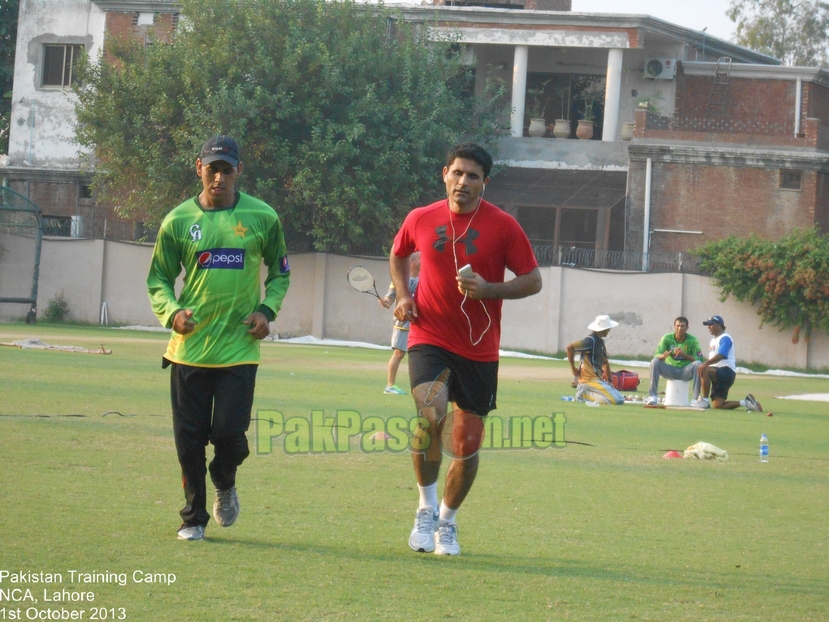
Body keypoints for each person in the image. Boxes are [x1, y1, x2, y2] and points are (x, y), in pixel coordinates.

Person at [390, 142, 542, 556]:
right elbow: (398, 253)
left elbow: (532, 279)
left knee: (466, 443)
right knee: (429, 414)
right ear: (445, 174)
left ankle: (447, 522)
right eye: (457, 173)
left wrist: (490, 290)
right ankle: (424, 508)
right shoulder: (421, 218)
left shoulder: (504, 226)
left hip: (479, 349)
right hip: (429, 337)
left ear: (484, 183)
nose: (463, 182)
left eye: (472, 175)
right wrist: (405, 295)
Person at [147, 135, 291, 541]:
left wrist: (266, 310)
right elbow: (158, 278)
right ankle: (193, 517)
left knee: (229, 434)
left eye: (227, 169)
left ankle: (224, 481)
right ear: (199, 168)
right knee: (188, 441)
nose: (219, 177)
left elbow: (280, 273)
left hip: (239, 349)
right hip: (189, 350)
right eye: (213, 168)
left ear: (238, 171)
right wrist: (172, 313)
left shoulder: (263, 217)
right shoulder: (177, 221)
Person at [692, 315, 762, 411]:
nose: (708, 327)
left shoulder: (725, 338)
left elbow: (721, 355)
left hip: (726, 372)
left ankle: (704, 400)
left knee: (704, 370)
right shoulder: (713, 340)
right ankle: (747, 403)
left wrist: (705, 364)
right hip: (718, 374)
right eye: (708, 325)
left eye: (711, 324)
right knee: (718, 405)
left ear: (719, 325)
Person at [378, 252, 420, 395]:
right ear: (412, 262)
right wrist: (385, 302)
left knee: (421, 355)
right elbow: (389, 301)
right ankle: (390, 386)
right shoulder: (400, 280)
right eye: (421, 258)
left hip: (420, 323)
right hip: (403, 323)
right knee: (399, 353)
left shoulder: (424, 279)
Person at [566, 314, 625, 405]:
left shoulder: (600, 342)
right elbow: (570, 347)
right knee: (615, 401)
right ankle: (583, 395)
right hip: (588, 380)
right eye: (608, 328)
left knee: (621, 399)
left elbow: (605, 362)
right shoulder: (590, 341)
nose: (609, 330)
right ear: (604, 329)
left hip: (596, 380)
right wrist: (573, 370)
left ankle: (587, 394)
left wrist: (609, 380)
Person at [645, 316, 704, 406]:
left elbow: (699, 359)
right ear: (674, 326)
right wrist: (663, 356)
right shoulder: (667, 338)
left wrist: (684, 355)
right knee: (654, 362)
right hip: (670, 370)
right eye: (677, 326)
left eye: (682, 326)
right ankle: (652, 396)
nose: (679, 329)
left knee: (698, 364)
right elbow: (656, 354)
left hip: (685, 371)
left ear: (687, 327)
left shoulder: (693, 340)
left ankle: (695, 399)